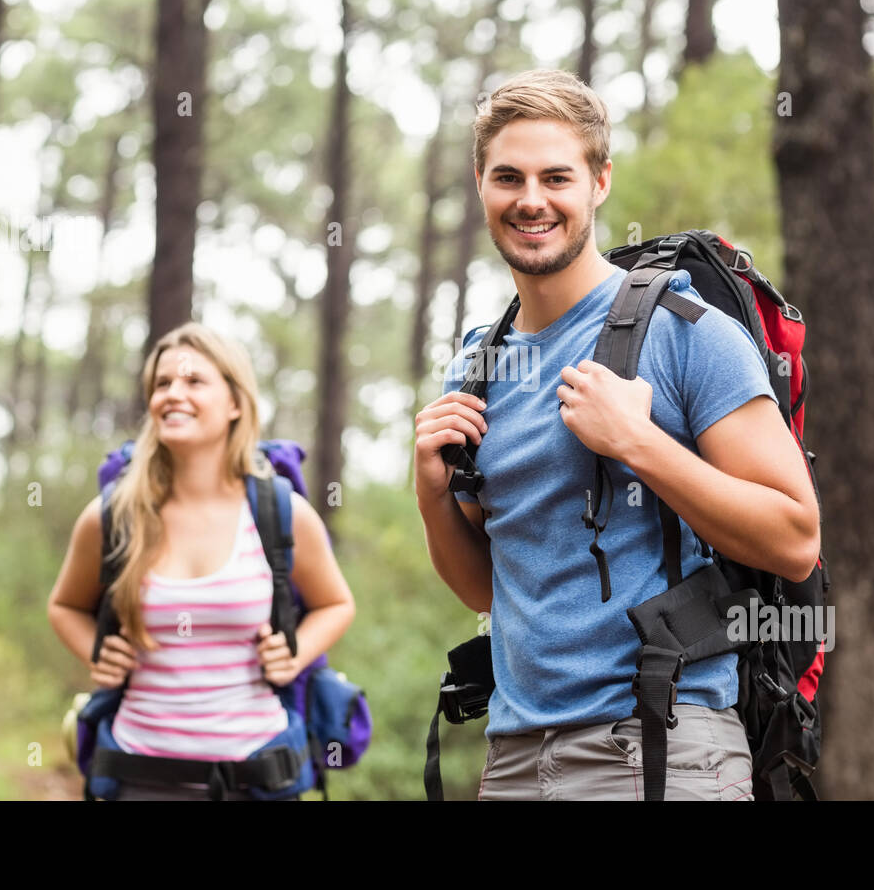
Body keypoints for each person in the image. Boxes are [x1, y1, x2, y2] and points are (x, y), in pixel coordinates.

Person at [414, 69, 821, 801]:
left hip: (660, 746)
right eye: (508, 177)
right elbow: (487, 587)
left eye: (555, 177)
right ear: (480, 183)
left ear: (600, 183)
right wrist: (431, 495)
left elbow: (795, 540)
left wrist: (640, 444)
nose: (530, 199)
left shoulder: (687, 332)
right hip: (512, 756)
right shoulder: (478, 364)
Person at [48, 321, 356, 800]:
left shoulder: (280, 512)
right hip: (136, 777)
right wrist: (96, 650)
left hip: (255, 778)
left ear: (235, 403)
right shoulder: (112, 515)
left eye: (194, 381)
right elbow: (64, 605)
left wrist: (295, 653)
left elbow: (337, 603)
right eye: (162, 383)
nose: (173, 393)